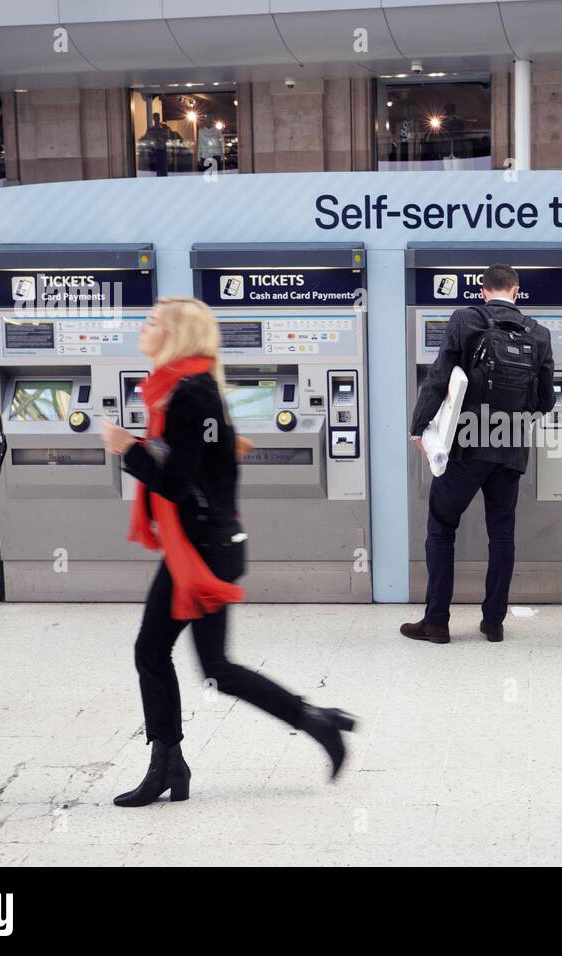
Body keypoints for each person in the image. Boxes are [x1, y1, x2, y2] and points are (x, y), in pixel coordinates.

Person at [100, 297, 355, 806]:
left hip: (202, 549)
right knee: (182, 658)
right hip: (198, 544)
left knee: (191, 661)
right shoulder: (180, 390)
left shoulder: (189, 394)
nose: (143, 328)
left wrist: (127, 449)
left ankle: (309, 723)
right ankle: (171, 763)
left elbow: (173, 484)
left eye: (152, 322)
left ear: (176, 334)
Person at [401, 264, 556, 644]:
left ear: (483, 290)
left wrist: (419, 428)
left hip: (466, 447)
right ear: (516, 291)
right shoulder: (539, 333)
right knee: (501, 535)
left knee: (441, 527)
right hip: (511, 449)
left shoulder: (465, 320)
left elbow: (438, 379)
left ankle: (436, 622)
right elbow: (547, 401)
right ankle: (493, 623)